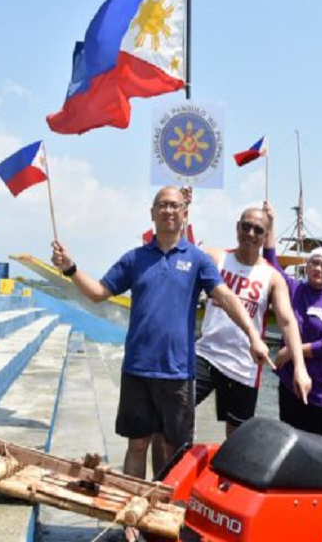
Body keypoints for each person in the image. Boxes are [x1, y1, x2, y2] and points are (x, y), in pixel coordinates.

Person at [51, 187, 274, 485]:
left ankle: (166, 506)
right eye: (163, 205)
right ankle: (132, 507)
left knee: (175, 450)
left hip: (178, 372)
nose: (168, 210)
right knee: (137, 445)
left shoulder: (198, 260)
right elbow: (97, 292)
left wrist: (253, 336)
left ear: (184, 213)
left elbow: (226, 297)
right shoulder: (134, 259)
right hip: (137, 368)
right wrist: (70, 268)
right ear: (152, 213)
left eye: (174, 205)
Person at [196, 206, 312, 436]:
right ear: (237, 227)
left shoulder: (273, 277)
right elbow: (180, 253)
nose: (250, 234)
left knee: (237, 438)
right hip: (206, 354)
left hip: (244, 365)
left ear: (265, 235)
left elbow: (287, 321)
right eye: (246, 227)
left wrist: (300, 367)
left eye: (258, 230)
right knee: (175, 412)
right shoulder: (216, 258)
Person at [262, 201, 322, 436]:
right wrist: (270, 224)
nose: (318, 268)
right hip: (290, 384)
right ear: (307, 267)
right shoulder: (293, 289)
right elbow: (271, 263)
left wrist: (291, 351)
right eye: (314, 263)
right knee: (288, 441)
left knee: (319, 448)